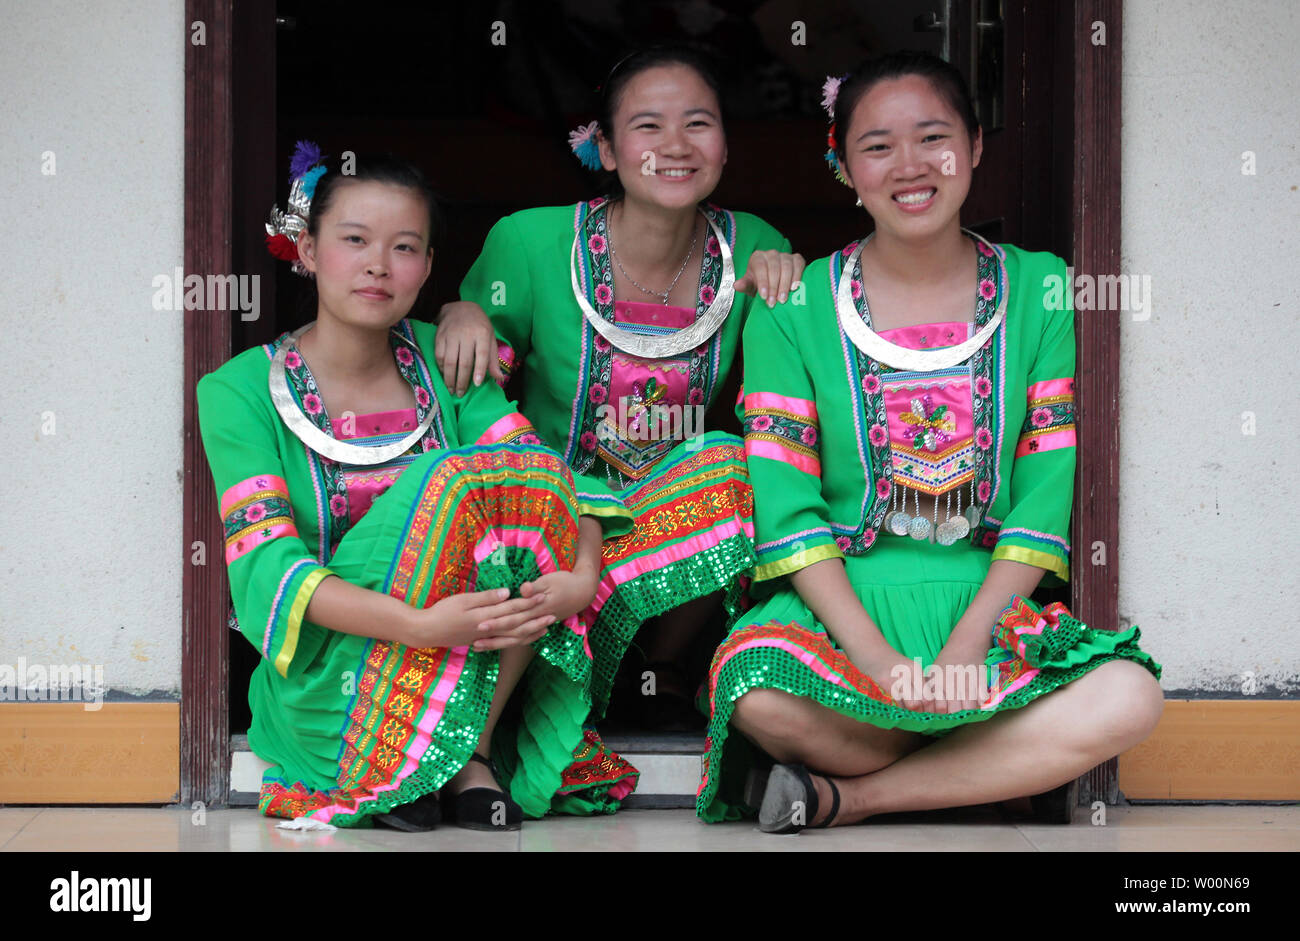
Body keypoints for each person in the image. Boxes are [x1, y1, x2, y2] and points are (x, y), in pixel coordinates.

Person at [697, 51, 1164, 831]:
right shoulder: (793, 305)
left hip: (993, 610)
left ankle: (849, 797)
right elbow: (787, 506)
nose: (909, 166)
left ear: (976, 145)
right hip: (844, 614)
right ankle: (989, 770)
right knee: (757, 692)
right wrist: (880, 664)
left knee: (1130, 695)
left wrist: (967, 646)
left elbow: (1044, 492)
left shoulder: (1042, 288)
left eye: (934, 138)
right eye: (877, 146)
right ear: (844, 166)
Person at [197, 144, 638, 832]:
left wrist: (582, 575)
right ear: (307, 250)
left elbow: (544, 478)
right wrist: (420, 627)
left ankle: (468, 755)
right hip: (331, 692)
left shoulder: (446, 358)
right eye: (354, 240)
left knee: (557, 481)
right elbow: (268, 568)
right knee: (455, 477)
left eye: (404, 247)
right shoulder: (237, 391)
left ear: (428, 267)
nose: (378, 264)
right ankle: (390, 762)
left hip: (469, 661)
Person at [435, 46, 806, 728]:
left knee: (735, 464)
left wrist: (789, 299)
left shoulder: (755, 244)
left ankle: (659, 670)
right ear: (604, 148)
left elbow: (787, 403)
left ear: (726, 144)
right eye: (647, 126)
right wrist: (460, 314)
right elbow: (470, 386)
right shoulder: (530, 241)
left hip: (674, 528)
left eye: (698, 123)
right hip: (549, 526)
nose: (676, 145)